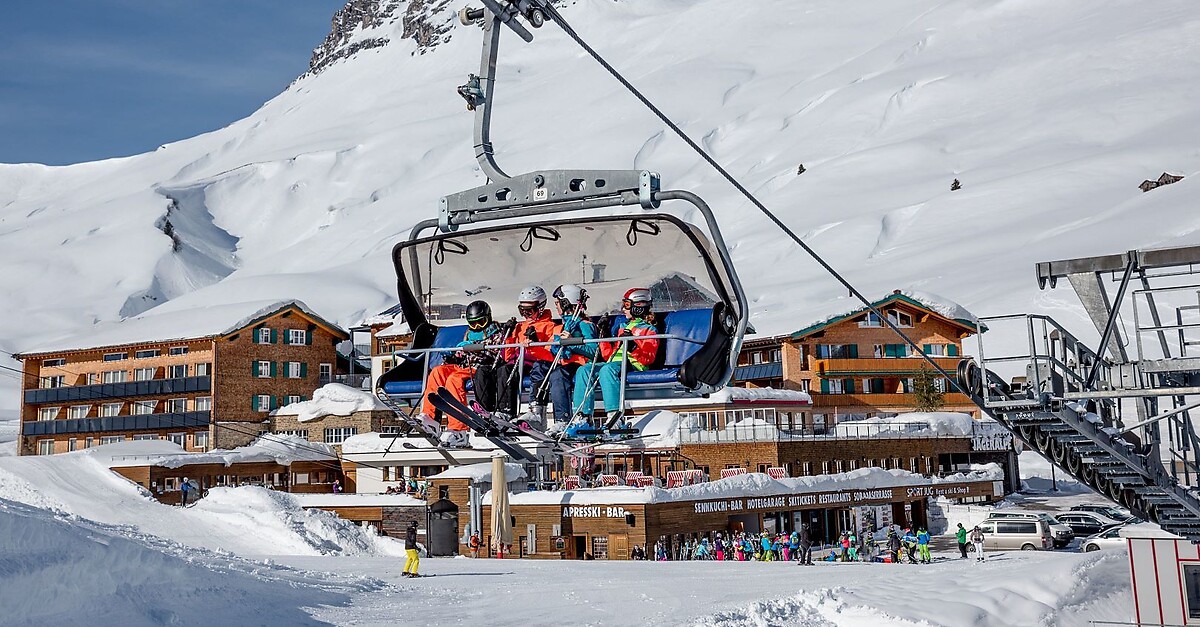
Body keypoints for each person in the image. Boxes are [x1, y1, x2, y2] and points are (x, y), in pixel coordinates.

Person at [569, 288, 660, 435]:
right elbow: (608, 356)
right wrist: (604, 335)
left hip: (634, 364)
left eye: (627, 305)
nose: (623, 309)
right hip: (614, 364)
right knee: (585, 369)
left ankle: (615, 416)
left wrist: (633, 347)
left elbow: (648, 358)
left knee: (607, 370)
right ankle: (583, 417)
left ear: (638, 306)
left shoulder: (649, 330)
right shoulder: (622, 327)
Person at [420, 299, 505, 447]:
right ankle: (430, 418)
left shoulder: (496, 332)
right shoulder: (469, 333)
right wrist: (456, 354)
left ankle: (458, 430)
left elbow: (497, 353)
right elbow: (461, 353)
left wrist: (477, 349)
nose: (477, 327)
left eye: (481, 322)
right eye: (473, 323)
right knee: (437, 372)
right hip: (463, 365)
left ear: (488, 318)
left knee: (454, 380)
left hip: (480, 366)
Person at [541, 284, 599, 432]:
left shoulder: (585, 325)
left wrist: (572, 343)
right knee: (550, 372)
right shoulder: (560, 327)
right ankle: (543, 411)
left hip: (580, 364)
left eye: (558, 303)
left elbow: (593, 351)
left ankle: (565, 418)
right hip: (564, 363)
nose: (556, 307)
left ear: (566, 303)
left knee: (558, 375)